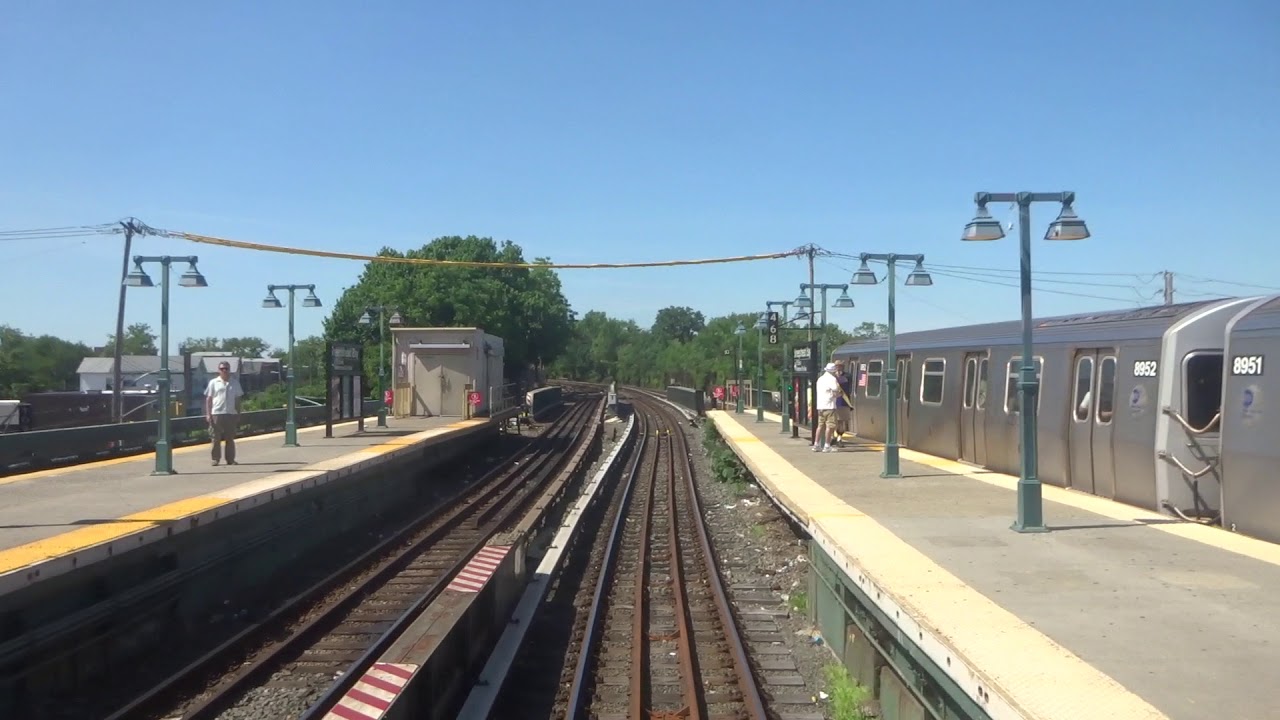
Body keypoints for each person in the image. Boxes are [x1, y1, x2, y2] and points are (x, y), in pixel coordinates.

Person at [205, 361, 244, 466]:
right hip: (217, 413)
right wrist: (208, 414)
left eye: (226, 368)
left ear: (229, 370)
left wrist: (238, 413)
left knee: (230, 438)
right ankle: (215, 459)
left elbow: (238, 400)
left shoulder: (235, 383)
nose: (224, 371)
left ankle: (230, 459)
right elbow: (209, 399)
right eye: (222, 369)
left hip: (230, 413)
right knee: (215, 438)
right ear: (219, 370)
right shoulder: (213, 382)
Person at [813, 362, 840, 452]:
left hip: (820, 406)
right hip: (829, 406)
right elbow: (836, 390)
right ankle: (827, 446)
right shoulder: (832, 379)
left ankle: (816, 445)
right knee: (830, 426)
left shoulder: (820, 379)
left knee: (820, 426)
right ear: (833, 371)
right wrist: (838, 395)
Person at [834, 361, 854, 447]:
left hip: (843, 402)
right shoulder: (831, 376)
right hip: (833, 402)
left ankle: (839, 438)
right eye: (837, 366)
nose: (838, 367)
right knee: (833, 421)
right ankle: (833, 437)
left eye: (840, 366)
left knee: (841, 421)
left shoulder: (847, 376)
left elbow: (848, 386)